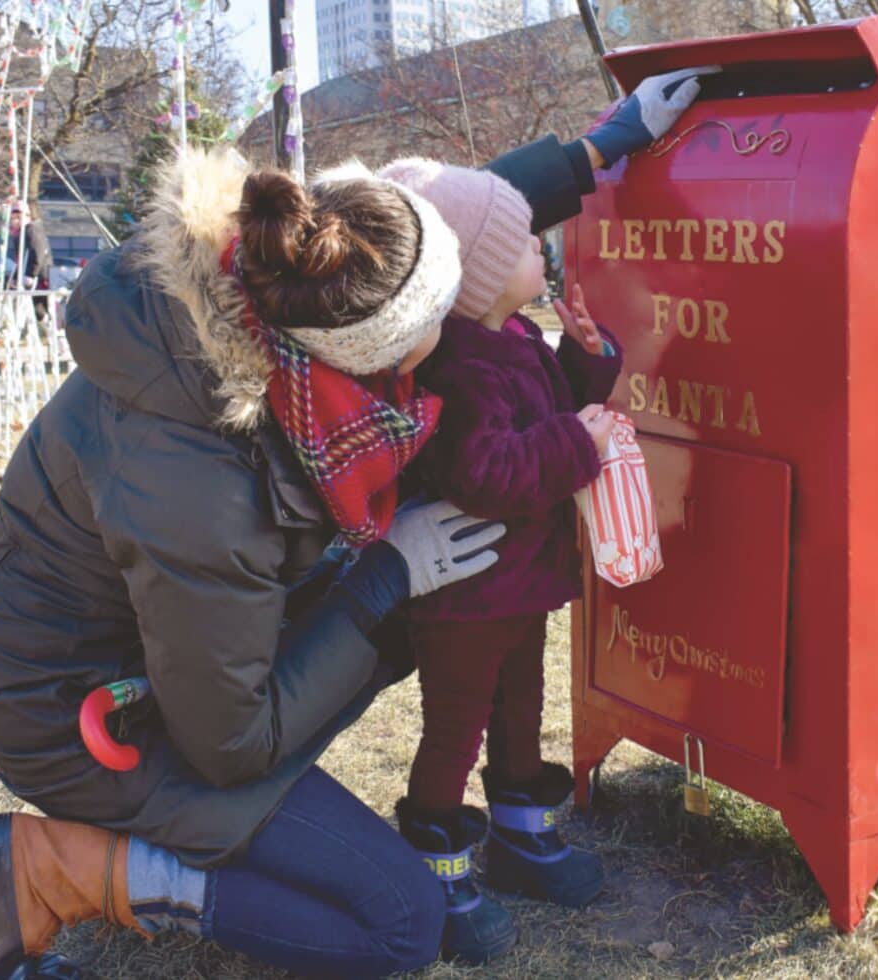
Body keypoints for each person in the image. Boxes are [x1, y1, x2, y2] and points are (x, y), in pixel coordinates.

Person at [0, 66, 710, 980]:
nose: (478, 297)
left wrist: (606, 142)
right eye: (447, 307)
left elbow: (436, 225)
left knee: (409, 637)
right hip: (93, 715)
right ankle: (58, 869)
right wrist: (386, 571)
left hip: (179, 655)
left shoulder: (299, 279)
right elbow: (230, 745)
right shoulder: (198, 479)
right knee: (397, 928)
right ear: (391, 350)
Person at [378, 159, 622, 963]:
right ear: (479, 279)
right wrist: (574, 442)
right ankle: (437, 870)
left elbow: (553, 414)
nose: (542, 257)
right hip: (467, 589)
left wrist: (587, 364)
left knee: (522, 707)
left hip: (521, 583)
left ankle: (523, 837)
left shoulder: (515, 338)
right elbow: (485, 474)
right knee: (456, 727)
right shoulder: (458, 364)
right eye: (524, 247)